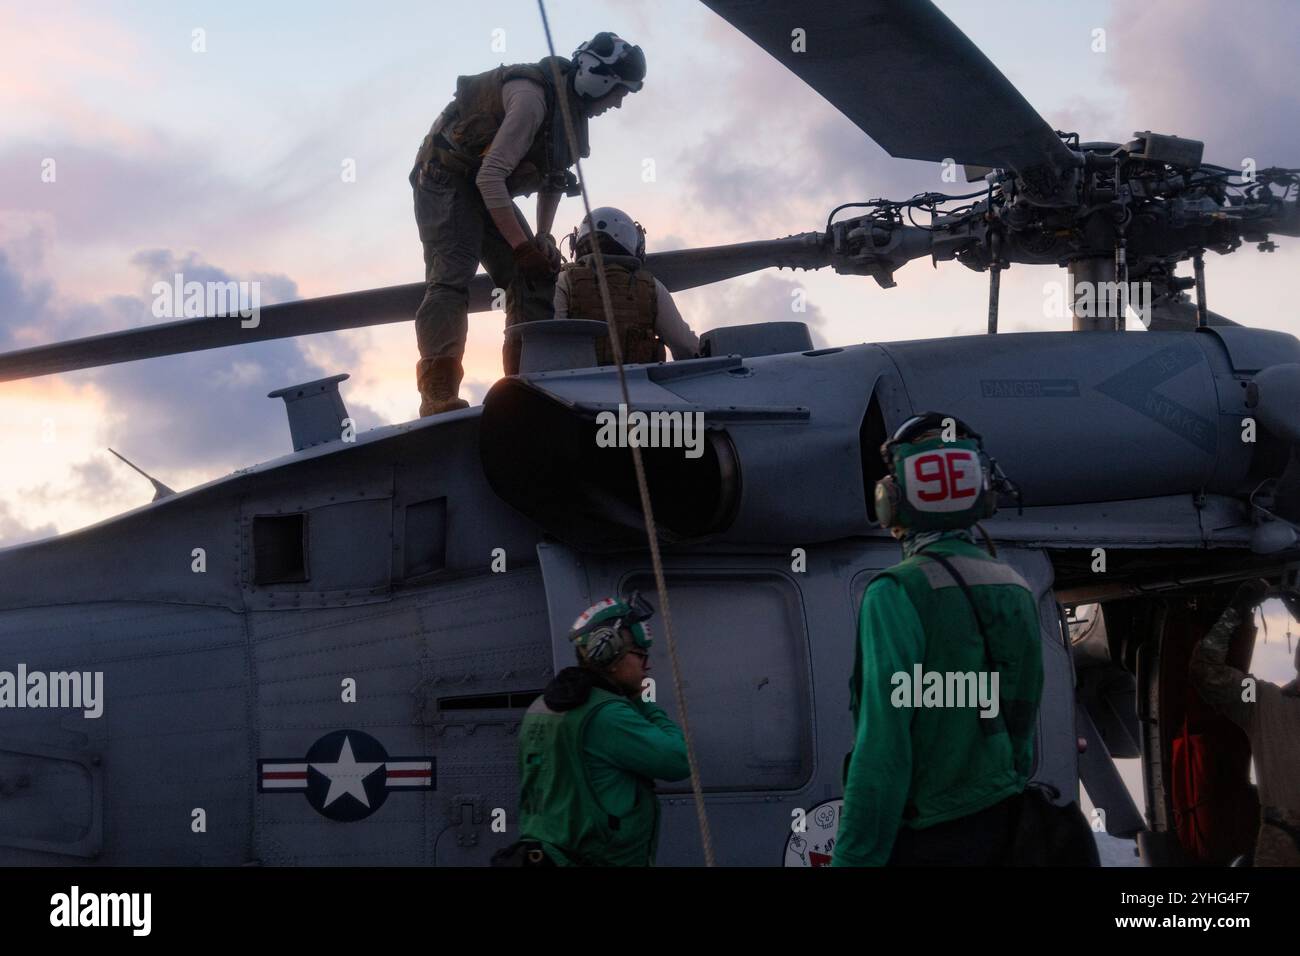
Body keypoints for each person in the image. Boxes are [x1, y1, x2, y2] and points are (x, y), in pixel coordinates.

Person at [833, 413, 1044, 866]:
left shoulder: (896, 592)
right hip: (1001, 824)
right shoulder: (1015, 586)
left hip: (931, 833)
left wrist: (854, 860)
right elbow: (1023, 723)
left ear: (893, 501)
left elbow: (883, 748)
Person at [410, 32, 646, 415]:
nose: (617, 104)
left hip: (485, 184)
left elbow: (552, 179)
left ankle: (526, 388)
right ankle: (438, 393)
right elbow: (490, 178)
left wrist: (541, 239)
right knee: (452, 276)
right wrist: (521, 248)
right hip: (446, 176)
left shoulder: (570, 119)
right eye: (619, 92)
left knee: (535, 278)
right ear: (599, 79)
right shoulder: (531, 102)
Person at [500, 592, 689, 866]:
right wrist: (642, 701)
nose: (646, 666)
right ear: (608, 650)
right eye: (639, 654)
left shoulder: (541, 707)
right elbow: (678, 760)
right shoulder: (608, 715)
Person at [1190, 578, 1300, 866]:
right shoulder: (1263, 702)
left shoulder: (1265, 703)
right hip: (1283, 843)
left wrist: (1238, 610)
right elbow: (1207, 671)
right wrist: (1234, 612)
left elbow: (1207, 671)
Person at [554, 206, 699, 363]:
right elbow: (685, 346)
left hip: (573, 386)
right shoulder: (651, 287)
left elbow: (550, 339)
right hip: (638, 386)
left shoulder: (563, 280)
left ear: (577, 243)